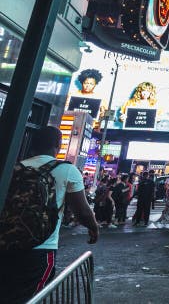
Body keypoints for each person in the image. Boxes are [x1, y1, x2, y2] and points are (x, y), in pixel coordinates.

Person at [0, 126, 99, 303]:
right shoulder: (67, 170)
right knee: (32, 297)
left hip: (6, 242)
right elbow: (82, 211)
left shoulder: (16, 167)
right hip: (41, 248)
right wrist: (93, 228)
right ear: (57, 145)